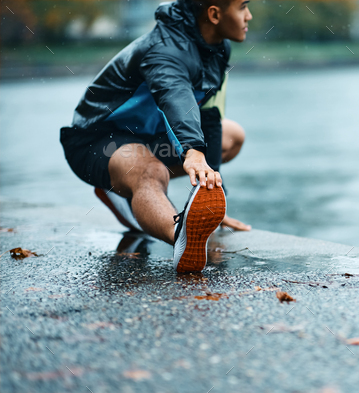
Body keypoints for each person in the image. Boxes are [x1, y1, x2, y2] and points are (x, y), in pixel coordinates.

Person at [59, 0, 253, 272]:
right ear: (214, 14)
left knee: (232, 136)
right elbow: (175, 96)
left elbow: (208, 117)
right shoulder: (163, 49)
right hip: (95, 140)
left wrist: (214, 203)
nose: (249, 16)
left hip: (148, 137)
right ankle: (183, 239)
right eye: (243, 7)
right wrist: (192, 151)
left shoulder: (218, 48)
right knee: (149, 170)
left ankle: (127, 189)